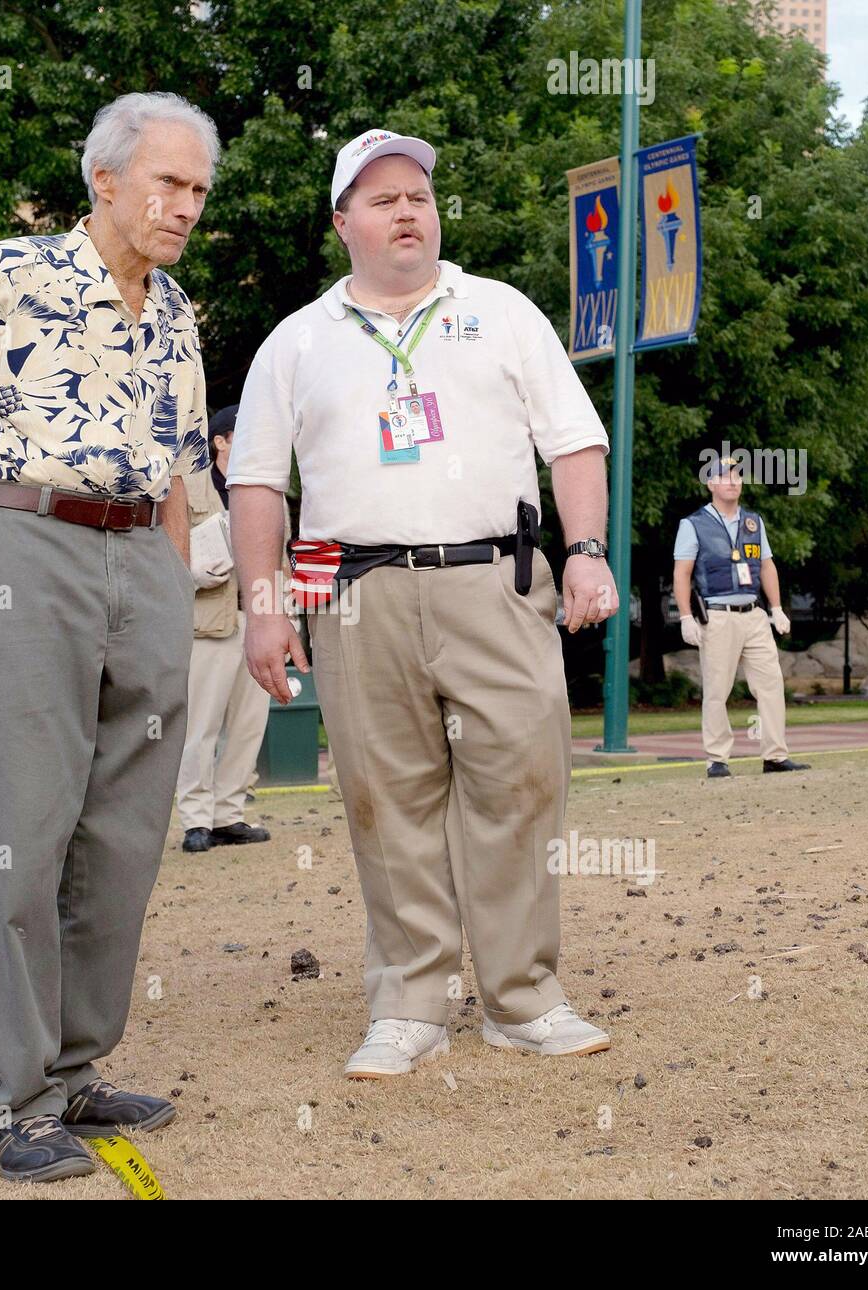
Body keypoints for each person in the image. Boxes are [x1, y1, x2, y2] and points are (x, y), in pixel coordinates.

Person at [228, 128, 617, 1081]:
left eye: (420, 196)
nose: (409, 210)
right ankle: (408, 1004)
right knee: (383, 796)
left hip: (494, 573)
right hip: (349, 586)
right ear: (341, 222)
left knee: (523, 783)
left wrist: (588, 553)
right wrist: (267, 607)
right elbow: (258, 486)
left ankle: (523, 999)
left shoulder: (502, 312)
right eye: (383, 198)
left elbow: (574, 443)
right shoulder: (298, 339)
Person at [0, 91, 218, 1183]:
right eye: (167, 183)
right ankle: (11, 1097)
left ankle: (74, 1068)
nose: (184, 207)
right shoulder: (8, 272)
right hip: (20, 545)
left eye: (198, 191)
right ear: (107, 180)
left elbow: (180, 472)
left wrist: (171, 589)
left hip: (142, 560)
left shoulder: (177, 313)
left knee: (122, 836)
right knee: (17, 829)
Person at [176, 403, 283, 853]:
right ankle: (196, 819)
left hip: (257, 619)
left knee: (248, 724)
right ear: (221, 440)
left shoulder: (262, 486)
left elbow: (280, 556)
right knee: (200, 725)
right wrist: (193, 573)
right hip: (209, 622)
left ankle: (229, 814)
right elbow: (167, 549)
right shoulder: (188, 485)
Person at [673, 455, 809, 778]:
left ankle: (775, 754)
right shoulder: (693, 525)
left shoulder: (753, 522)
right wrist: (685, 617)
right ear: (710, 484)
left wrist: (776, 609)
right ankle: (717, 758)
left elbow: (766, 565)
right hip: (718, 616)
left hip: (754, 613)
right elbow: (682, 573)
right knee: (717, 689)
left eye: (736, 475)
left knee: (771, 684)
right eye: (724, 476)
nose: (732, 481)